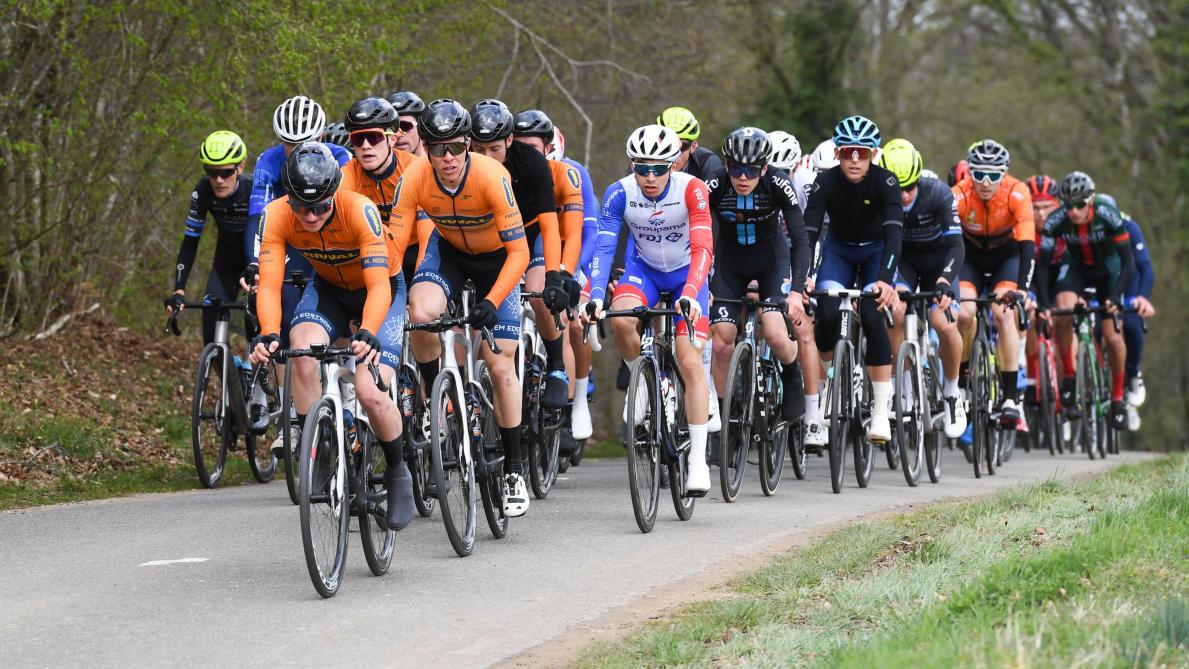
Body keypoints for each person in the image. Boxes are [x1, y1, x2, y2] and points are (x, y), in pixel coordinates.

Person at [248, 142, 413, 531]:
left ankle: (398, 469)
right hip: (329, 290)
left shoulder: (360, 210)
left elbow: (378, 286)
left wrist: (369, 332)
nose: (310, 216)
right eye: (301, 208)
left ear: (334, 193)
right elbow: (269, 287)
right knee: (300, 352)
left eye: (321, 207)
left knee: (371, 391)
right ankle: (320, 450)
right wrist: (269, 333)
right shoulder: (275, 216)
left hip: (382, 290)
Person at [388, 99, 532, 517]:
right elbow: (395, 245)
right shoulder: (415, 176)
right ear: (426, 150)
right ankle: (439, 399)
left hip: (498, 263)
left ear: (468, 144)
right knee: (421, 314)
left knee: (501, 364)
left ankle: (515, 470)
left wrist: (491, 300)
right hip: (448, 252)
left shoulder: (492, 176)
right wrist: (380, 289)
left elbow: (520, 252)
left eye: (454, 148)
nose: (447, 158)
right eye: (437, 149)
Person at [583, 124, 715, 494]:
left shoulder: (692, 189)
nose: (650, 177)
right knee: (623, 317)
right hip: (645, 271)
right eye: (642, 168)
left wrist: (691, 291)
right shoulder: (618, 193)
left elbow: (704, 244)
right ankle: (640, 384)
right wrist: (595, 295)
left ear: (673, 165)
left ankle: (698, 460)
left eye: (659, 168)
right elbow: (605, 249)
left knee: (689, 359)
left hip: (689, 273)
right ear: (632, 166)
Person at [241, 95, 352, 457]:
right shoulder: (269, 162)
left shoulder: (342, 158)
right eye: (289, 145)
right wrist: (255, 264)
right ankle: (295, 409)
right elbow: (258, 219)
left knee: (341, 314)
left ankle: (345, 389)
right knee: (284, 324)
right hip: (290, 241)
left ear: (322, 135)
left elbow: (349, 214)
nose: (296, 153)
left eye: (305, 144)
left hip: (331, 243)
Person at [802, 115, 902, 444]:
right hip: (840, 252)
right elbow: (810, 234)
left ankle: (879, 413)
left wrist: (886, 280)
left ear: (873, 153)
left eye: (862, 152)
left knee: (873, 317)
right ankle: (833, 375)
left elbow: (893, 237)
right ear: (837, 153)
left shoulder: (886, 182)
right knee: (827, 314)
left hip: (875, 253)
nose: (855, 159)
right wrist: (804, 275)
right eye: (847, 153)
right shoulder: (825, 182)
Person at [469, 100, 568, 410]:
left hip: (532, 232)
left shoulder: (533, 163)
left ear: (510, 140)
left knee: (539, 294)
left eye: (495, 149)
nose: (487, 158)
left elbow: (551, 226)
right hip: (492, 239)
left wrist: (554, 276)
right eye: (479, 150)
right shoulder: (460, 165)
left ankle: (556, 365)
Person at [706, 127, 809, 422]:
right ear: (726, 165)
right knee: (721, 340)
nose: (742, 178)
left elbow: (800, 240)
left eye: (751, 171)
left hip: (770, 260)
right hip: (729, 261)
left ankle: (791, 375)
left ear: (764, 168)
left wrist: (796, 291)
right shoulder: (713, 184)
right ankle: (724, 418)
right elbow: (694, 228)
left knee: (776, 334)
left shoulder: (778, 182)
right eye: (736, 169)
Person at [877, 139, 967, 438]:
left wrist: (945, 280)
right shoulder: (878, 196)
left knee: (943, 321)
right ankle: (902, 390)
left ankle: (953, 395)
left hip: (938, 264)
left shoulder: (938, 193)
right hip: (903, 263)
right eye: (896, 189)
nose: (903, 196)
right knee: (896, 311)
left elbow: (956, 245)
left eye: (910, 187)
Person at [1035, 172, 1135, 430]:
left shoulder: (1108, 215)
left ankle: (1118, 398)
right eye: (1068, 205)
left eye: (1080, 205)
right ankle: (1069, 375)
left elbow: (1128, 263)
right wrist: (1045, 304)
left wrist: (1115, 297)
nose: (1074, 211)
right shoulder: (1056, 221)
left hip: (1108, 269)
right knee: (1063, 313)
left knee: (1113, 337)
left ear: (1090, 201)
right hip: (1077, 266)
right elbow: (1044, 266)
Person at [952, 139, 1034, 426]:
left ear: (1005, 174)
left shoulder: (1017, 192)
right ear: (969, 173)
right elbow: (948, 242)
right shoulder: (959, 195)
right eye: (979, 174)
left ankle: (1011, 398)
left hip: (1005, 258)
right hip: (970, 258)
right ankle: (961, 385)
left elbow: (1027, 245)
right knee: (963, 313)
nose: (986, 182)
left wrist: (1022, 289)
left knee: (1004, 313)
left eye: (994, 175)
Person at [338, 96, 426, 288]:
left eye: (374, 137)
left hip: (418, 248)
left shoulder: (415, 169)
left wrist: (420, 280)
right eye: (358, 139)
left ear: (392, 139)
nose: (366, 146)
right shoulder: (347, 175)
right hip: (376, 252)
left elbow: (428, 235)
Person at [386, 91, 427, 158]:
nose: (398, 134)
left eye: (405, 126)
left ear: (420, 128)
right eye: (392, 129)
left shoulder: (438, 166)